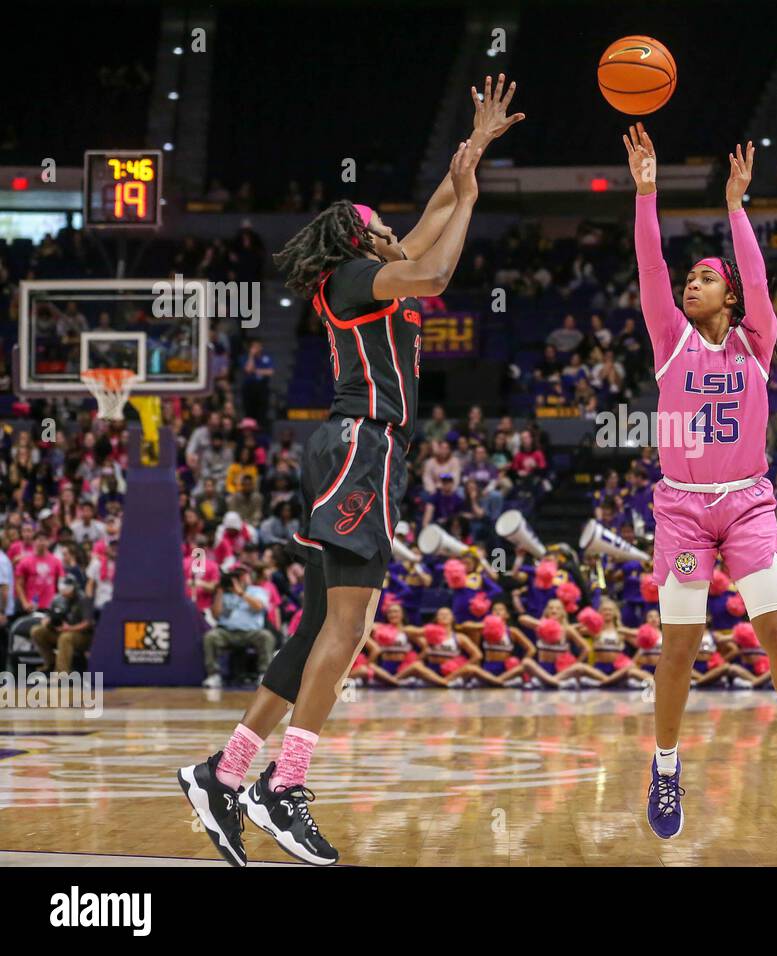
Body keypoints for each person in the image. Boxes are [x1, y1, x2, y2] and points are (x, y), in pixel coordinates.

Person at [176, 74, 525, 867]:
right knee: (351, 626)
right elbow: (436, 268)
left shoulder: (371, 271)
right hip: (357, 446)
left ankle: (223, 774)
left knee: (316, 629)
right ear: (359, 241)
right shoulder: (358, 280)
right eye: (378, 224)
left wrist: (475, 150)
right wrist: (468, 203)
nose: (394, 227)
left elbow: (440, 201)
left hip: (353, 450)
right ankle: (283, 786)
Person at [626, 123, 777, 840]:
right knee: (680, 644)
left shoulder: (757, 342)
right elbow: (651, 264)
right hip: (684, 515)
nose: (692, 282)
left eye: (706, 277)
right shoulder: (670, 337)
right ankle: (664, 765)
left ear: (730, 296)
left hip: (748, 507)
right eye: (692, 278)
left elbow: (758, 278)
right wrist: (647, 191)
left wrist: (737, 207)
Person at [201, 564, 276, 689]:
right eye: (236, 576)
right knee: (210, 637)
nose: (240, 579)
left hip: (251, 632)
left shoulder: (257, 590)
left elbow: (258, 606)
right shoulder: (225, 594)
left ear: (248, 576)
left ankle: (264, 674)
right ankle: (213, 675)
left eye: (242, 575)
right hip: (227, 632)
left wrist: (240, 593)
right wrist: (219, 592)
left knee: (266, 636)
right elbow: (216, 616)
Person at [31, 575, 94, 675]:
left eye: (67, 591)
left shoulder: (83, 599)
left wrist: (70, 628)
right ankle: (50, 664)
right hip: (61, 630)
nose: (65, 594)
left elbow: (87, 623)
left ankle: (62, 673)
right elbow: (48, 615)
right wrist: (46, 621)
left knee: (65, 637)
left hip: (82, 635)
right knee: (37, 631)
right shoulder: (58, 599)